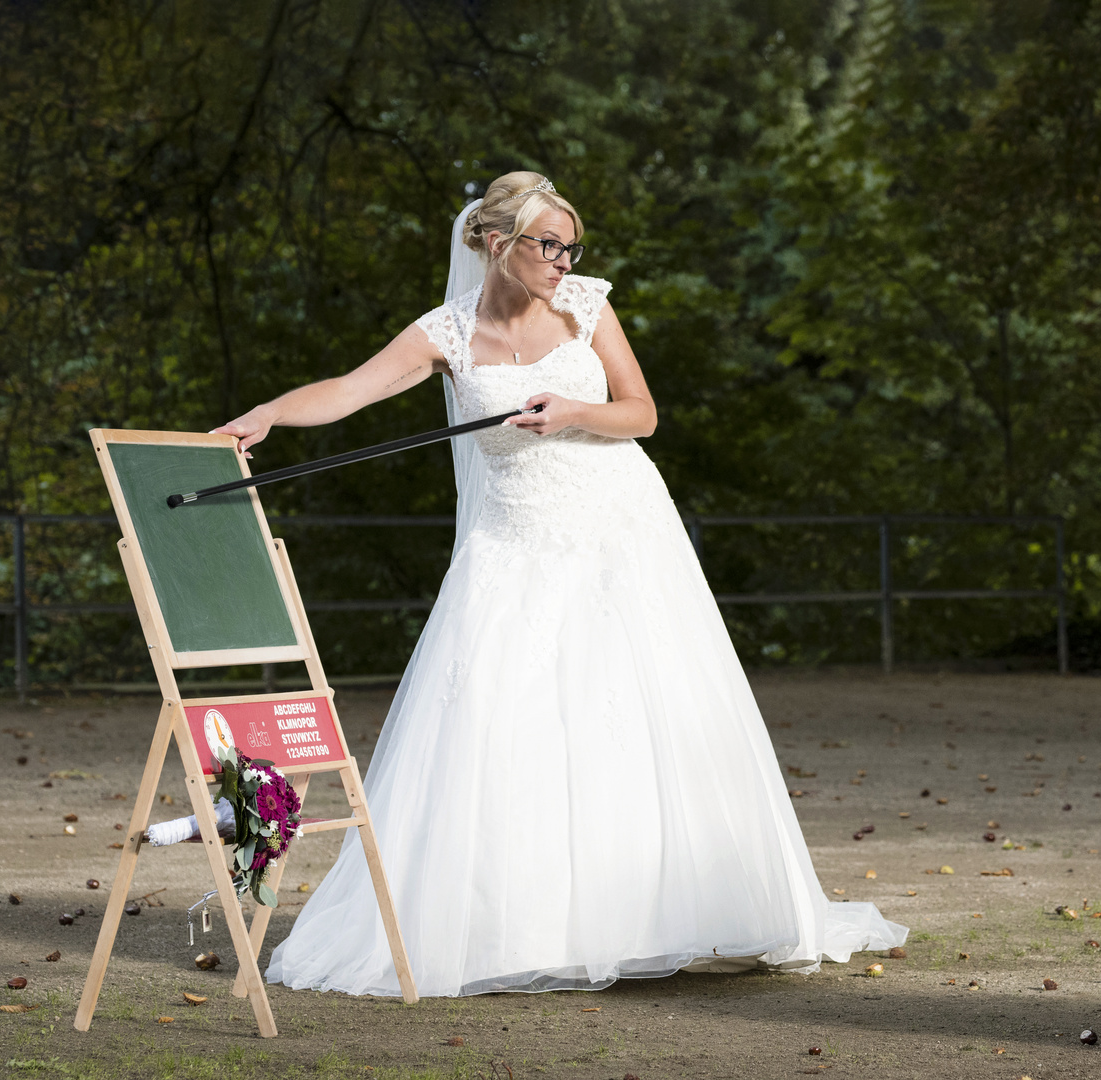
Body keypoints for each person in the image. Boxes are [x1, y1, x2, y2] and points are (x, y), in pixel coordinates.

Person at [213, 171, 906, 997]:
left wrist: (573, 412)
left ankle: (670, 912)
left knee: (647, 713)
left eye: (571, 245)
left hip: (623, 534)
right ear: (494, 243)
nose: (562, 260)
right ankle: (524, 927)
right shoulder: (447, 333)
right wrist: (270, 413)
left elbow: (642, 411)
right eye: (548, 244)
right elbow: (350, 391)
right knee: (505, 721)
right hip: (514, 547)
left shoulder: (586, 305)